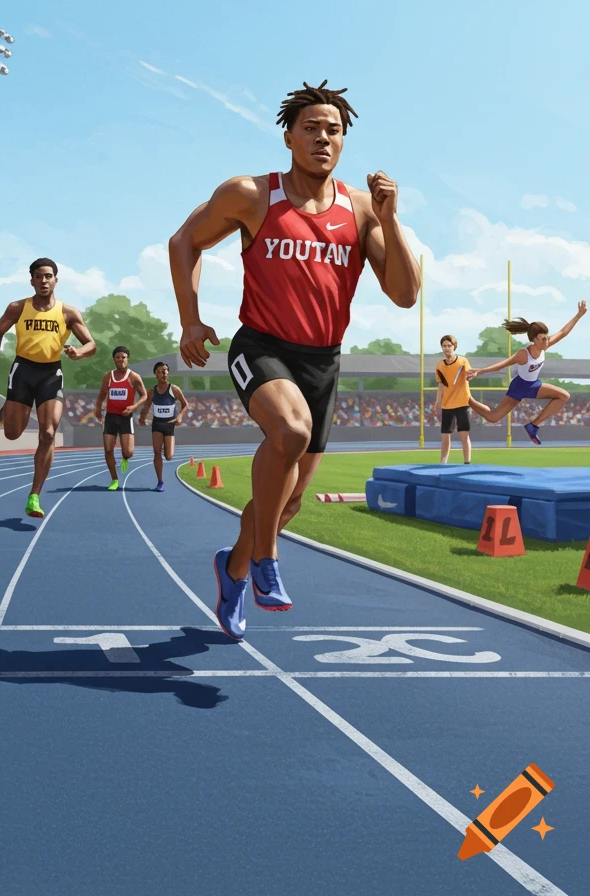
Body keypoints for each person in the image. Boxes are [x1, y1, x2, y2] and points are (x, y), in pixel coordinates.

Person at [169, 81, 420, 641]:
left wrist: (391, 218)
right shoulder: (251, 194)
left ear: (344, 142)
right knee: (289, 430)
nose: (323, 138)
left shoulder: (361, 209)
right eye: (311, 128)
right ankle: (266, 563)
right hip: (261, 347)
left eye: (334, 130)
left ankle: (233, 567)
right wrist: (191, 318)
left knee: (288, 500)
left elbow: (405, 294)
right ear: (289, 136)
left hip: (322, 363)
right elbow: (184, 241)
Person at [0, 258, 96, 517]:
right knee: (12, 433)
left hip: (50, 373)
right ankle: (8, 408)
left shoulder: (68, 313)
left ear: (56, 279)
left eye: (48, 276)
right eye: (38, 276)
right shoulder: (17, 308)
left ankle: (34, 495)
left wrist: (79, 352)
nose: (43, 281)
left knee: (47, 433)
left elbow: (91, 344)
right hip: (22, 371)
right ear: (32, 280)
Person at [465, 303, 586, 445]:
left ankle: (533, 426)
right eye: (542, 338)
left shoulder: (544, 346)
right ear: (534, 340)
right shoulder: (524, 354)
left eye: (546, 338)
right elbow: (501, 366)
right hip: (519, 386)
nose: (546, 341)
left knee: (564, 396)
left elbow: (563, 332)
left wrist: (578, 315)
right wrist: (479, 371)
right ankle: (467, 399)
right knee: (493, 418)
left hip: (533, 384)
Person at [94, 346, 147, 491]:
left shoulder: (134, 377)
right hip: (111, 416)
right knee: (108, 449)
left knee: (128, 452)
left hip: (126, 417)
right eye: (118, 357)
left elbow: (144, 396)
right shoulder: (108, 377)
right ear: (114, 359)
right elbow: (102, 394)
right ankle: (114, 479)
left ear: (127, 358)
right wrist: (97, 408)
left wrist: (134, 407)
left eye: (123, 357)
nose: (120, 360)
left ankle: (124, 458)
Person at [138, 361, 190, 491]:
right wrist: (142, 417)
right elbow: (146, 406)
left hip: (169, 425)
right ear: (155, 374)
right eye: (161, 371)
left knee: (169, 456)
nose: (164, 373)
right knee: (156, 452)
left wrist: (179, 416)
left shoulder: (174, 389)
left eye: (166, 370)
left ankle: (166, 447)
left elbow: (185, 404)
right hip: (157, 424)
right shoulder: (152, 392)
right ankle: (160, 481)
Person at [432, 335, 472, 464]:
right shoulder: (440, 366)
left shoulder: (463, 361)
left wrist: (469, 375)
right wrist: (437, 402)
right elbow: (441, 385)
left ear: (454, 346)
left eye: (449, 346)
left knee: (464, 434)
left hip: (462, 403)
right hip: (447, 405)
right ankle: (443, 462)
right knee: (445, 436)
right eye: (444, 346)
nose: (447, 348)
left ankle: (467, 462)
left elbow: (470, 376)